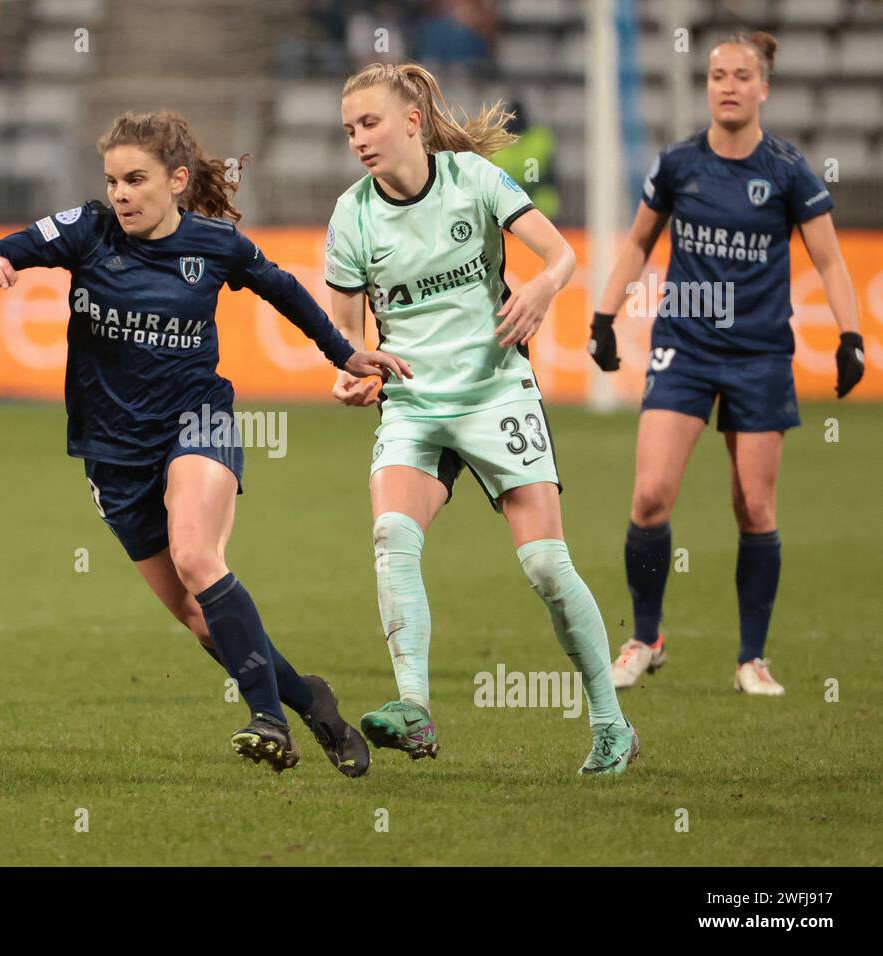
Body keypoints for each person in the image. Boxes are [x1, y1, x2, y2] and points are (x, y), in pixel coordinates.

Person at [0, 110, 411, 775]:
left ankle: (267, 719)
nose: (121, 194)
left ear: (176, 180)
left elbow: (285, 291)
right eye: (114, 180)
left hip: (195, 423)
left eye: (136, 179)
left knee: (199, 556)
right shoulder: (87, 231)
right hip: (111, 454)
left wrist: (344, 354)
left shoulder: (216, 246)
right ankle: (310, 700)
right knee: (204, 623)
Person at [326, 63, 637, 775]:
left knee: (546, 567)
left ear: (411, 121)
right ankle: (414, 708)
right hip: (414, 405)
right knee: (391, 537)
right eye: (348, 130)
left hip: (497, 393)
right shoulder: (353, 214)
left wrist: (540, 290)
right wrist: (353, 376)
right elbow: (345, 342)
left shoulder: (472, 179)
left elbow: (560, 255)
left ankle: (611, 723)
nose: (359, 140)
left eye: (370, 123)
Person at [588, 31, 865, 696]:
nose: (729, 85)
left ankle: (751, 659)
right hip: (684, 345)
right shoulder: (679, 164)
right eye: (718, 75)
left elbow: (828, 259)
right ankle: (645, 637)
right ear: (708, 86)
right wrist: (602, 316)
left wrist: (851, 336)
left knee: (754, 506)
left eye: (742, 75)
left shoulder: (789, 171)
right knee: (651, 495)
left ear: (764, 87)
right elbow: (636, 242)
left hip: (760, 354)